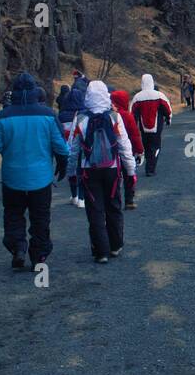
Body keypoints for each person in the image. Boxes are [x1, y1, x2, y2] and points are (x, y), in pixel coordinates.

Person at [0, 72, 69, 270]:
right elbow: (61, 146)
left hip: (12, 177)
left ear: (14, 91)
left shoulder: (2, 116)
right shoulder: (48, 115)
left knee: (13, 215)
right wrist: (62, 162)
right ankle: (39, 255)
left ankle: (18, 247)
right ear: (35, 90)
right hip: (40, 178)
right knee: (40, 217)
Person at [68, 81, 137, 263]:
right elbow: (124, 146)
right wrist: (131, 171)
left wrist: (71, 174)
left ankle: (101, 251)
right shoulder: (114, 117)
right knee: (113, 206)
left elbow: (73, 149)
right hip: (112, 169)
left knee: (95, 210)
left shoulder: (80, 118)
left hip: (89, 170)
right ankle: (116, 245)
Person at [130, 73, 172, 177]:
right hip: (157, 127)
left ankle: (149, 165)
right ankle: (151, 168)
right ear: (152, 82)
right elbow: (167, 109)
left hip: (143, 128)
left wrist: (133, 126)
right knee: (156, 147)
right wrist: (168, 118)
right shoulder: (159, 95)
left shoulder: (137, 97)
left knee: (147, 146)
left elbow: (132, 113)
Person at [109, 89, 146, 208]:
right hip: (127, 150)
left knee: (115, 177)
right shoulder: (126, 116)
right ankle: (129, 199)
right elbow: (135, 135)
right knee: (128, 175)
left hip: (112, 151)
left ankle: (115, 198)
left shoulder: (109, 115)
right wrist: (139, 150)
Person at [58, 79, 86, 207]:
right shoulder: (83, 114)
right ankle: (81, 196)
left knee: (72, 169)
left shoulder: (62, 114)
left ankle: (74, 195)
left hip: (67, 144)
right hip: (82, 146)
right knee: (81, 169)